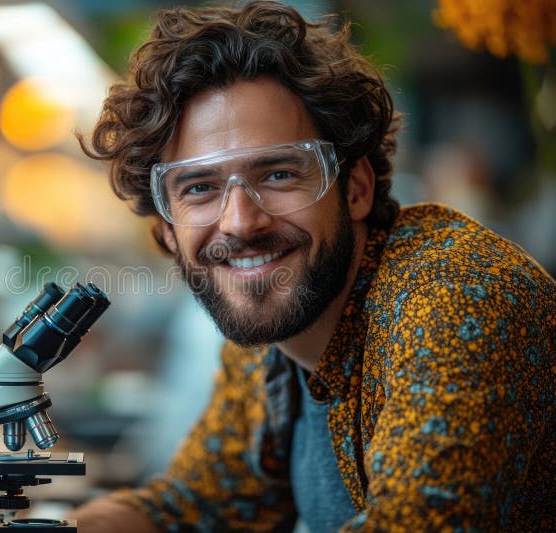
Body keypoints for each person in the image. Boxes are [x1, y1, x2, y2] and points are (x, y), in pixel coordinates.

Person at [72, 1, 556, 531]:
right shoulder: (271, 325)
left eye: (279, 174)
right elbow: (196, 506)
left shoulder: (454, 301)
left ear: (355, 188)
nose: (239, 222)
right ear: (167, 231)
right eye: (200, 188)